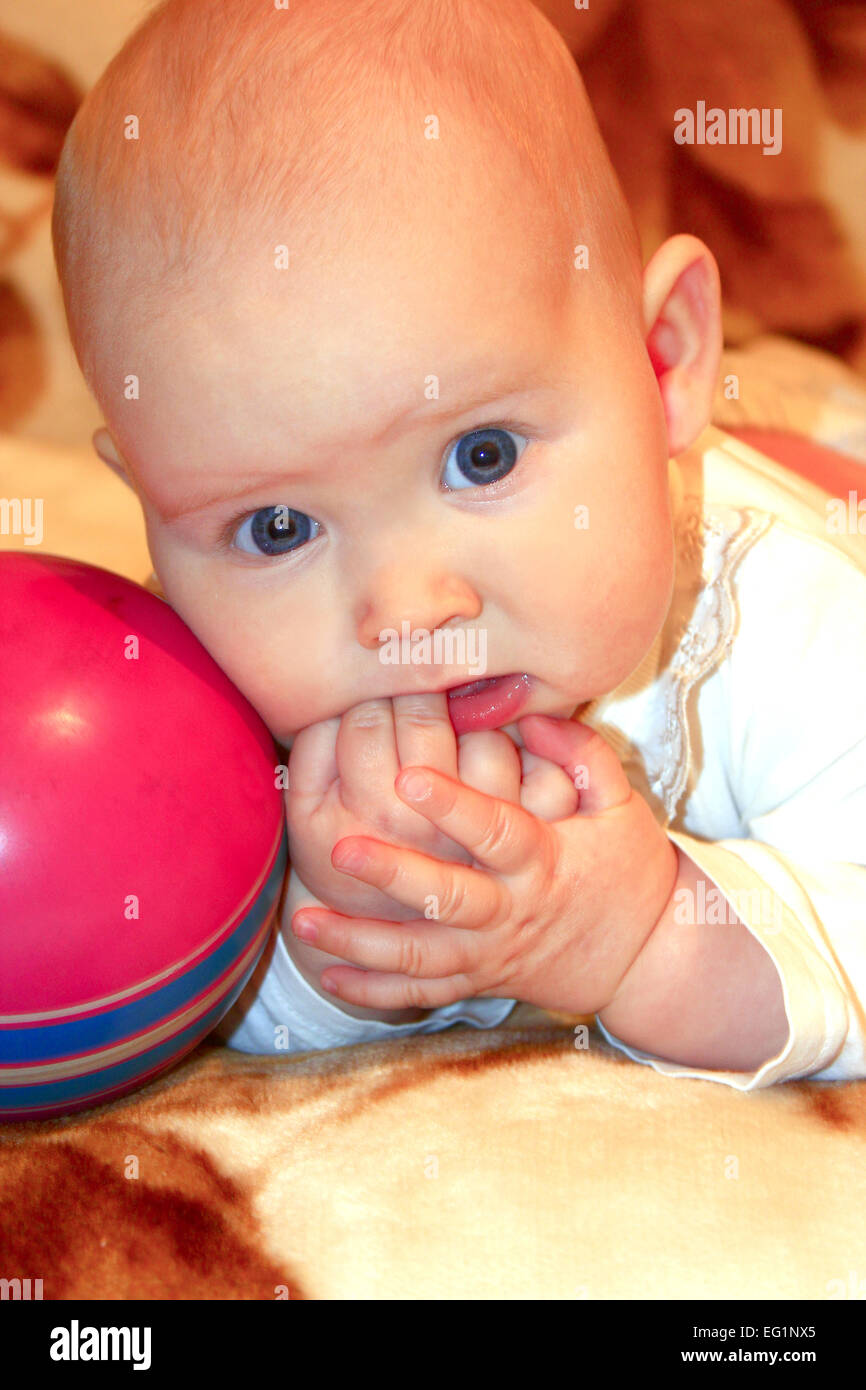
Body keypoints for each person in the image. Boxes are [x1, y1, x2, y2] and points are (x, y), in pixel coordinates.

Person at [51, 0, 866, 1088]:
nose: (406, 610)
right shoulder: (218, 697)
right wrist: (329, 926)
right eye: (277, 527)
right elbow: (215, 1007)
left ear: (661, 360)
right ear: (153, 503)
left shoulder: (784, 627)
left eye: (480, 456)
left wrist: (642, 933)